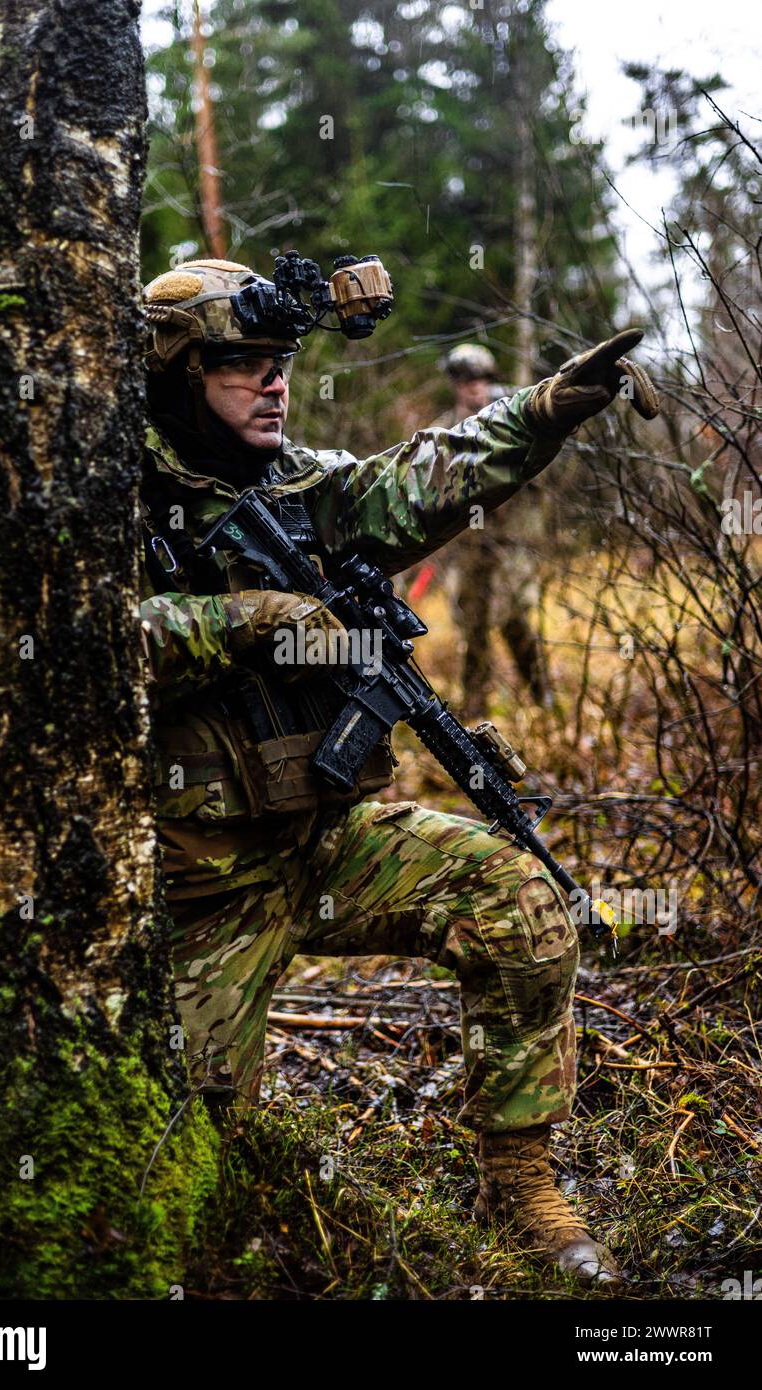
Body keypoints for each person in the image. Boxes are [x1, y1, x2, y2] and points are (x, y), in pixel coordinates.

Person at [137, 256, 658, 1289]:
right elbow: (65, 647)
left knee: (517, 891)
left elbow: (422, 477)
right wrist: (242, 622)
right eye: (243, 362)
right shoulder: (116, 499)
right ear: (179, 374)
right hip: (200, 895)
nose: (274, 381)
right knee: (196, 1159)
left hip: (325, 847)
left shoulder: (298, 488)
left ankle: (520, 1182)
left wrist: (547, 409)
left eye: (282, 360)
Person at [428, 344, 553, 718]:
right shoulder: (443, 431)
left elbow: (537, 484)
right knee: (473, 625)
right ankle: (474, 708)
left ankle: (542, 696)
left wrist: (528, 537)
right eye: (467, 380)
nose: (475, 388)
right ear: (455, 384)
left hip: (510, 541)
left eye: (482, 379)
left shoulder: (509, 422)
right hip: (467, 544)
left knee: (514, 617)